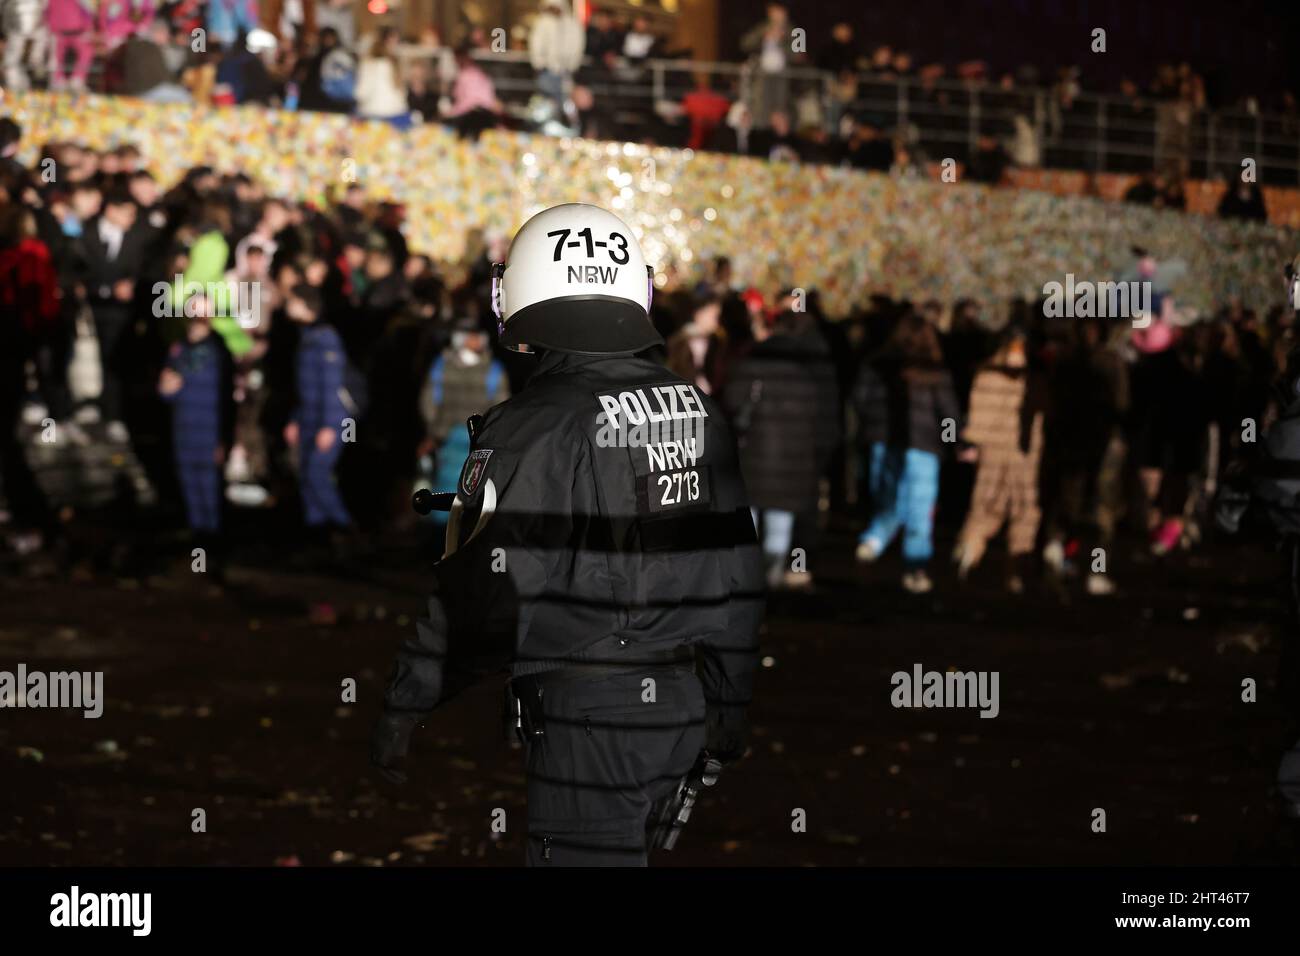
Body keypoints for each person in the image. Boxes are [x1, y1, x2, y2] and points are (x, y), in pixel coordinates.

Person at [371, 203, 763, 866]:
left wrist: (410, 696)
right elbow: (737, 569)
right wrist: (728, 701)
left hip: (591, 714)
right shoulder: (695, 410)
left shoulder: (534, 424)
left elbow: (487, 594)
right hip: (680, 704)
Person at [724, 308, 839, 589]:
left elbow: (732, 405)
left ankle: (742, 584)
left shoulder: (752, 362)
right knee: (779, 526)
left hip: (752, 457)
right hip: (793, 463)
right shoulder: (812, 369)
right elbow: (824, 421)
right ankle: (771, 585)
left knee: (746, 526)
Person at [853, 313, 960, 594]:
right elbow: (948, 414)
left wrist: (869, 429)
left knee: (887, 494)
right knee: (920, 508)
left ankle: (874, 538)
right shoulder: (935, 372)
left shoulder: (876, 364)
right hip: (924, 446)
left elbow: (860, 401)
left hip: (884, 439)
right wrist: (953, 443)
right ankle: (915, 568)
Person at [953, 326, 1049, 593]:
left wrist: (971, 442)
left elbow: (976, 415)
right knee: (1023, 511)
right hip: (1023, 455)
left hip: (995, 451)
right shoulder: (1035, 378)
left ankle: (969, 558)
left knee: (986, 506)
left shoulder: (985, 374)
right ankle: (1013, 572)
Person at [158, 302, 232, 550]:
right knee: (189, 482)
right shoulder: (178, 350)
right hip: (184, 428)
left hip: (209, 431)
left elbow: (227, 398)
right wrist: (166, 389)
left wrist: (225, 438)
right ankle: (198, 535)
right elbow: (167, 388)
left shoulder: (219, 351)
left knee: (209, 484)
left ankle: (214, 538)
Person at [284, 284, 353, 536]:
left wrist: (330, 426)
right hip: (308, 417)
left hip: (326, 420)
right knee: (305, 473)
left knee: (316, 473)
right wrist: (295, 419)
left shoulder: (325, 338)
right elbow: (302, 387)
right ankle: (318, 533)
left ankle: (343, 527)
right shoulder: (305, 335)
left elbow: (331, 387)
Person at [528, 0, 585, 119]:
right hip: (547, 72)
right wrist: (540, 64)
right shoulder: (542, 22)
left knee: (565, 103)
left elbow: (577, 47)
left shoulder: (571, 24)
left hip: (565, 73)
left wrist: (571, 65)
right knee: (544, 104)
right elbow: (536, 45)